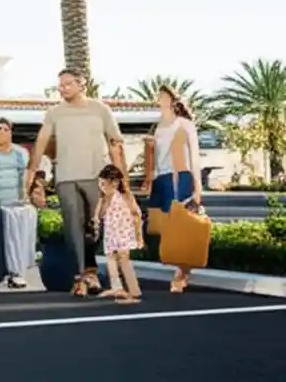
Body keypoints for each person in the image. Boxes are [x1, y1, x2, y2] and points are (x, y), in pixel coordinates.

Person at [24, 68, 127, 297]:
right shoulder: (55, 113)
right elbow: (42, 140)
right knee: (73, 228)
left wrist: (121, 178)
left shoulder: (101, 110)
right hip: (66, 177)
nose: (62, 89)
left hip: (96, 176)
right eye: (60, 85)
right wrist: (33, 171)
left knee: (95, 226)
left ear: (82, 85)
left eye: (67, 84)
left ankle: (90, 269)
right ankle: (80, 276)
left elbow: (115, 142)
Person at [143, 84, 204, 293]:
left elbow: (194, 156)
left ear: (172, 100)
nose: (159, 99)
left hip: (180, 176)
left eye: (162, 96)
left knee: (179, 224)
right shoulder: (157, 126)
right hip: (161, 178)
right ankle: (179, 266)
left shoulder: (184, 124)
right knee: (160, 226)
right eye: (158, 96)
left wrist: (198, 187)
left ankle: (181, 274)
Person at [0, 117, 35, 288]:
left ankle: (18, 271)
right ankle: (9, 272)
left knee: (23, 229)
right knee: (6, 237)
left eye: (5, 129)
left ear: (11, 132)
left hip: (19, 205)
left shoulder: (21, 154)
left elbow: (25, 178)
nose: (0, 132)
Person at [92, 163, 145, 304]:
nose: (102, 186)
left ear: (114, 182)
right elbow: (99, 214)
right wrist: (104, 200)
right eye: (101, 183)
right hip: (111, 233)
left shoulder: (125, 196)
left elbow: (136, 214)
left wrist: (139, 235)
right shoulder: (104, 198)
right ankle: (117, 287)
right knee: (110, 257)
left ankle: (133, 290)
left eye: (105, 183)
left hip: (124, 232)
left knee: (123, 259)